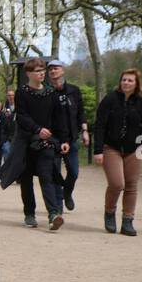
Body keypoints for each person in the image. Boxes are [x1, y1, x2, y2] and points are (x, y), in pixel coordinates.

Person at [93, 68, 142, 237]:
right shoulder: (110, 100)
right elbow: (99, 126)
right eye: (124, 80)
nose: (126, 83)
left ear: (136, 84)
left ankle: (128, 220)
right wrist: (98, 150)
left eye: (130, 80)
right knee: (117, 184)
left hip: (136, 149)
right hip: (111, 148)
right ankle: (109, 212)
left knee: (131, 186)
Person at [15, 57, 70, 230]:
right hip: (26, 142)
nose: (41, 74)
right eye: (37, 71)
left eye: (42, 70)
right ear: (28, 74)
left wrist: (64, 140)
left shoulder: (50, 93)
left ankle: (53, 214)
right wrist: (37, 129)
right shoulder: (22, 92)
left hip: (46, 143)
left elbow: (59, 119)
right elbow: (22, 116)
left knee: (47, 177)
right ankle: (29, 214)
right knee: (26, 180)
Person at [47, 59, 86, 212]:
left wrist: (85, 131)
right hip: (53, 139)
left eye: (55, 68)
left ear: (62, 70)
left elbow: (81, 112)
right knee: (55, 174)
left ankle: (67, 193)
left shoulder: (73, 90)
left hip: (71, 139)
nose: (53, 71)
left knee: (74, 172)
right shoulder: (47, 93)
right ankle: (58, 206)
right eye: (50, 69)